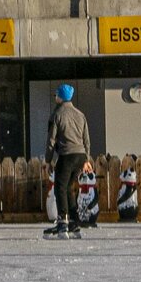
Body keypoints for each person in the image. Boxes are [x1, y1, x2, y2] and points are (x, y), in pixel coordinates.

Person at [44, 84, 92, 239]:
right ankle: (74, 220)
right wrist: (87, 159)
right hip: (80, 155)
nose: (55, 97)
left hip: (66, 155)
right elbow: (86, 139)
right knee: (69, 187)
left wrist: (48, 160)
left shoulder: (57, 114)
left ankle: (62, 221)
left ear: (60, 97)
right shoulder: (80, 114)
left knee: (60, 187)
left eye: (56, 95)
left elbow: (51, 140)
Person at [117, 158, 140, 222]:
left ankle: (128, 216)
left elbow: (126, 195)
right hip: (125, 209)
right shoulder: (126, 185)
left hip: (128, 209)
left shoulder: (130, 187)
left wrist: (119, 202)